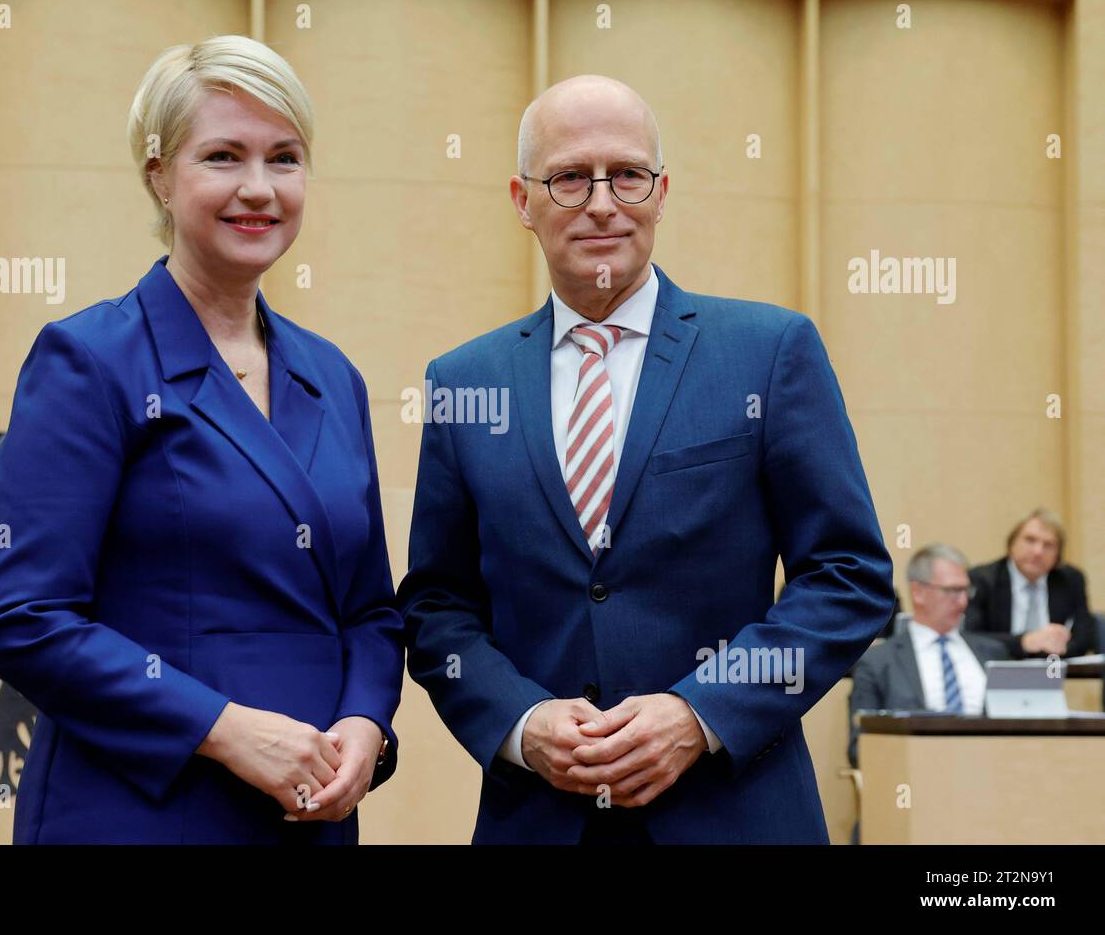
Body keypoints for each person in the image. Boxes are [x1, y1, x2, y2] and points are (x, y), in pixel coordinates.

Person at [398, 75, 894, 844]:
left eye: (627, 174)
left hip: (737, 812)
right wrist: (522, 722)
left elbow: (849, 576)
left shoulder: (768, 353)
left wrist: (701, 712)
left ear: (662, 192)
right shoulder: (464, 382)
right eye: (569, 177)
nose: (602, 202)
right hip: (539, 819)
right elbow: (437, 605)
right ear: (522, 200)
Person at [0, 35, 403, 844]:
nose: (258, 188)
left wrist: (365, 720)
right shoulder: (90, 359)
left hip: (306, 817)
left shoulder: (333, 377)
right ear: (158, 177)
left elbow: (372, 613)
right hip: (137, 812)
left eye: (284, 157)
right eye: (222, 156)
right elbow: (23, 616)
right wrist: (226, 729)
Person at [847, 543, 1006, 768]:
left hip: (993, 774)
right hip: (914, 779)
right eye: (952, 591)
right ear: (918, 592)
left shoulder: (993, 653)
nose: (963, 602)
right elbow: (859, 747)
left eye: (965, 590)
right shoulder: (878, 662)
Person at [964, 508, 1094, 659]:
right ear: (1012, 544)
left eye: (1048, 545)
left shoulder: (1070, 580)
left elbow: (1085, 638)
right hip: (998, 671)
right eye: (1030, 540)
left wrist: (1059, 646)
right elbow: (971, 638)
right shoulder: (983, 580)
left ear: (1057, 555)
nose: (1038, 551)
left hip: (1050, 673)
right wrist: (1024, 642)